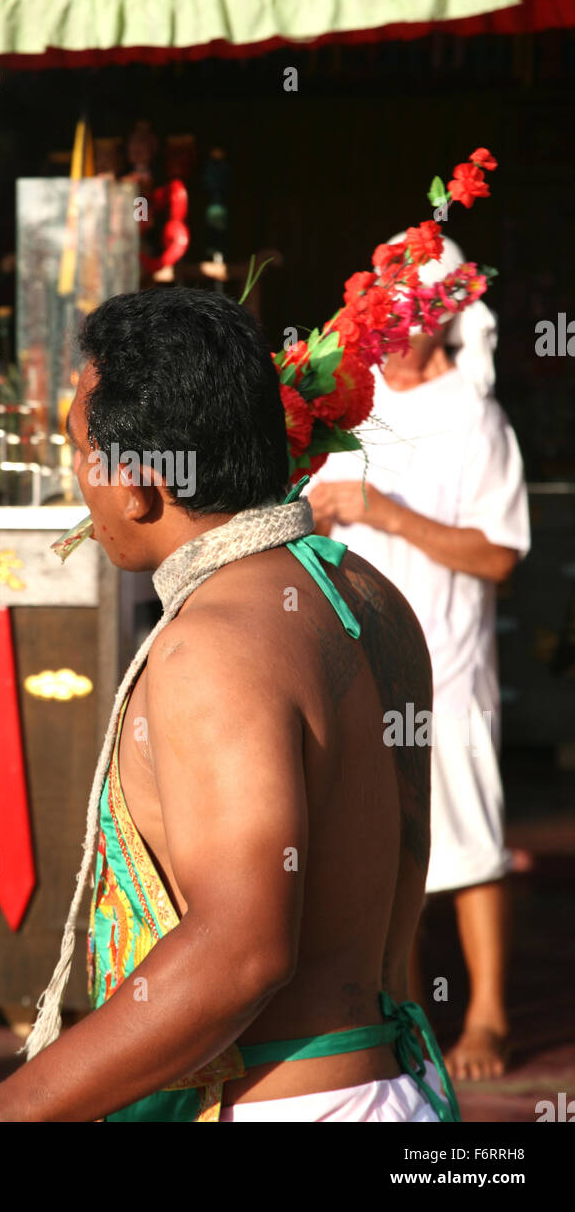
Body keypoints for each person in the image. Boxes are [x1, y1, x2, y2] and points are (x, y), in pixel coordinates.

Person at [0, 287, 459, 1123]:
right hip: (394, 1086)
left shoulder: (212, 646)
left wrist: (11, 1107)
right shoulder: (366, 594)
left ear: (139, 485)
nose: (78, 478)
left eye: (78, 449)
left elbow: (241, 951)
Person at [309, 235, 530, 1083]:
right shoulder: (356, 412)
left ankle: (490, 1017)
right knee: (379, 837)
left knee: (470, 837)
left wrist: (387, 513)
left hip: (450, 657)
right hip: (362, 657)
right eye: (384, 316)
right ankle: (401, 1009)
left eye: (408, 317)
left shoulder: (479, 420)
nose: (395, 332)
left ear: (442, 319)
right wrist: (328, 515)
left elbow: (500, 557)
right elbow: (321, 513)